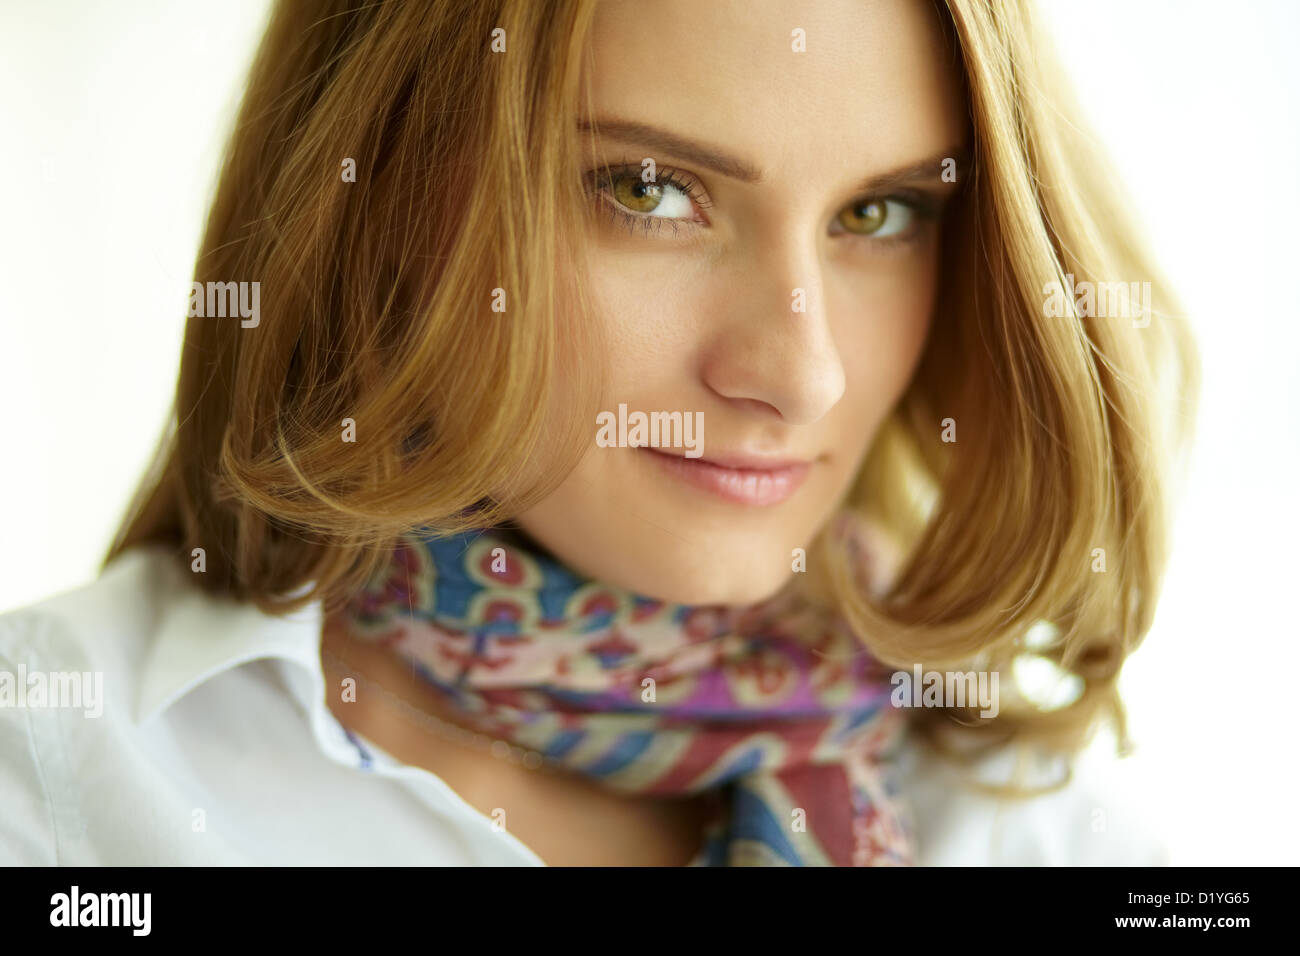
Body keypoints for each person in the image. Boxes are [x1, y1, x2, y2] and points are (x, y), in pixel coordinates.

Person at [0, 0, 1195, 866]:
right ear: (386, 200)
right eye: (647, 190)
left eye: (878, 213)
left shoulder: (1036, 832)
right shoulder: (57, 785)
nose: (801, 373)